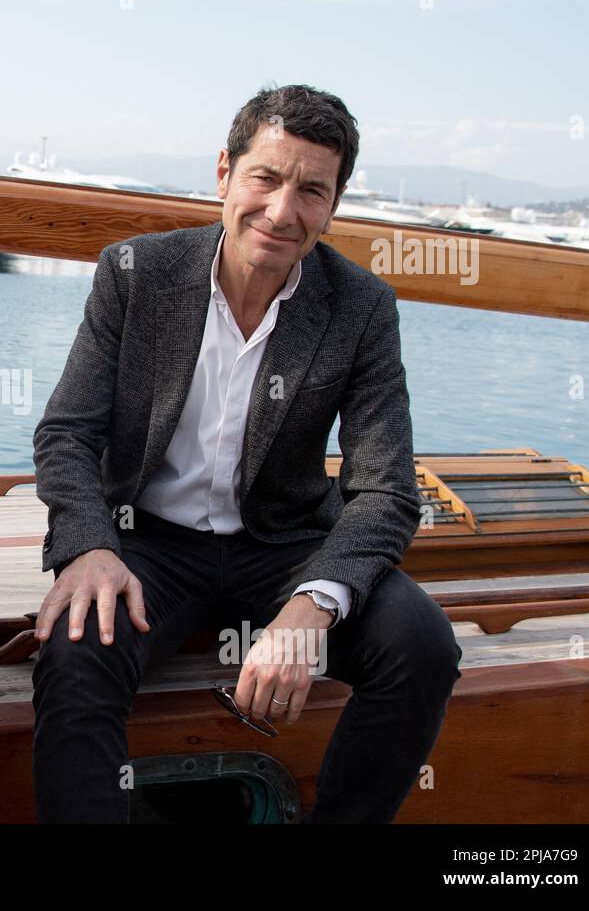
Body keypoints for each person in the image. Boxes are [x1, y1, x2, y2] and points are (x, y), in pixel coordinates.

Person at [31, 84, 462, 823]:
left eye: (312, 190)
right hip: (146, 543)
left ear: (334, 204)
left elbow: (386, 490)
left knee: (422, 645)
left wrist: (311, 607)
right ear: (225, 173)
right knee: (75, 653)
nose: (283, 210)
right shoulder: (135, 274)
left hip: (285, 547)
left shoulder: (361, 307)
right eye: (267, 177)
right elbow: (67, 433)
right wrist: (88, 549)